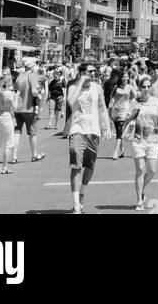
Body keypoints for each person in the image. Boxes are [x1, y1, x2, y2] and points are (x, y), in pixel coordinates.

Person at [66, 61, 113, 214]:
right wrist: (80, 82)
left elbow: (102, 107)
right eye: (90, 71)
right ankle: (76, 205)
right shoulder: (73, 87)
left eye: (95, 71)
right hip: (77, 127)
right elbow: (70, 102)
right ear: (82, 73)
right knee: (75, 161)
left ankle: (82, 193)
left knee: (89, 166)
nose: (94, 74)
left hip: (93, 130)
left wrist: (106, 126)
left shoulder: (97, 88)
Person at [124, 73, 158, 211]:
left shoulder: (156, 101)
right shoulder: (135, 101)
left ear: (151, 88)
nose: (146, 88)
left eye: (148, 86)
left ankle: (142, 188)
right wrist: (134, 111)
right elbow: (126, 119)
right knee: (140, 169)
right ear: (139, 88)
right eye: (143, 86)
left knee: (152, 170)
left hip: (153, 139)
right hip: (138, 139)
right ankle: (139, 200)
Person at [12, 61, 44, 164]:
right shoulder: (32, 75)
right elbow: (34, 92)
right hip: (29, 108)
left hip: (17, 108)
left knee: (17, 132)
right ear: (32, 67)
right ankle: (34, 155)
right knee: (32, 133)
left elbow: (15, 90)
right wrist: (39, 94)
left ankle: (14, 156)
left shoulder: (19, 76)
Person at [0, 72, 17, 175]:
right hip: (7, 118)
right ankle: (5, 167)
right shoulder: (9, 94)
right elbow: (14, 108)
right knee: (7, 144)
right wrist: (16, 96)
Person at [109, 68, 137, 159]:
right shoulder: (116, 87)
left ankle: (115, 152)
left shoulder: (130, 87)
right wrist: (109, 111)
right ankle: (122, 150)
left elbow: (135, 97)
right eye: (124, 76)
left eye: (127, 76)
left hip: (124, 111)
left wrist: (131, 107)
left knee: (120, 131)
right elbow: (112, 99)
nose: (125, 78)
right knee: (118, 131)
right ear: (120, 78)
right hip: (115, 111)